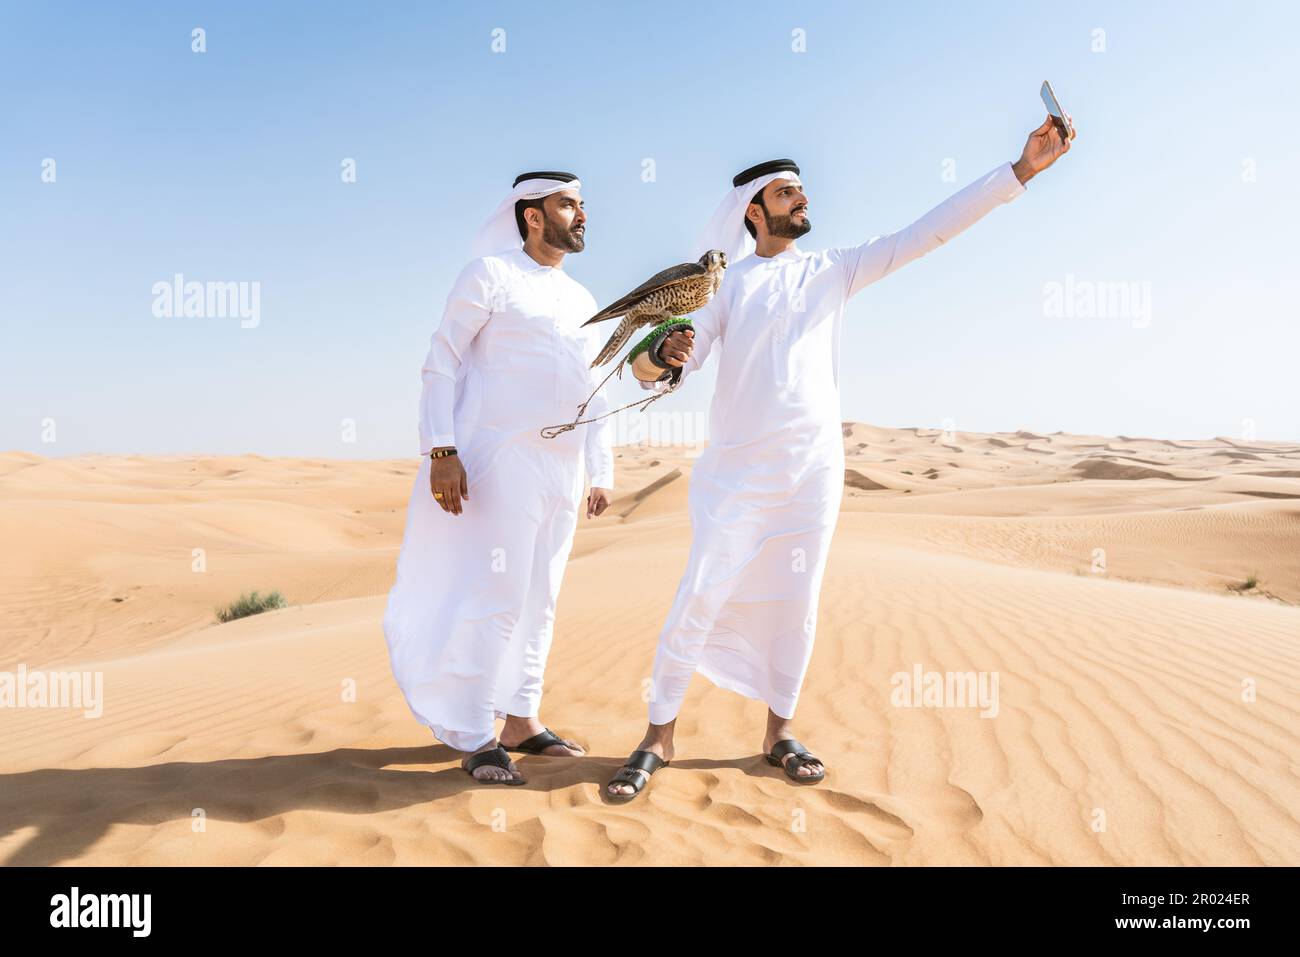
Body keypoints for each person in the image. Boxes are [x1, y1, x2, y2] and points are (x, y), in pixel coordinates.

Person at [607, 113, 1076, 800]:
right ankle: (659, 735)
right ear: (754, 209)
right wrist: (659, 355)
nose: (802, 199)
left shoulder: (835, 270)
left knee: (797, 602)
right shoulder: (724, 285)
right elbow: (671, 359)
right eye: (788, 192)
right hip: (738, 472)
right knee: (699, 593)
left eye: (801, 191)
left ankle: (778, 734)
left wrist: (1021, 170)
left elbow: (928, 231)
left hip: (813, 471)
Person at [383, 171, 614, 785]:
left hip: (564, 470)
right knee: (500, 595)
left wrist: (601, 467)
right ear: (532, 215)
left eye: (583, 204)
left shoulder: (585, 298)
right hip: (499, 460)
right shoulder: (489, 275)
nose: (581, 214)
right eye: (568, 204)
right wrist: (441, 449)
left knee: (541, 598)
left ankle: (521, 718)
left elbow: (597, 386)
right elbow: (441, 363)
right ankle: (473, 729)